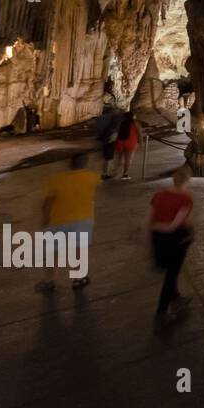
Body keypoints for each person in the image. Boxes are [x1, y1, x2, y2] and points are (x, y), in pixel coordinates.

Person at [35, 152, 100, 292]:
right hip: (83, 220)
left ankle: (49, 281)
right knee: (79, 251)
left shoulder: (56, 180)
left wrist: (45, 220)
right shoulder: (92, 177)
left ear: (69, 163)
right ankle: (78, 279)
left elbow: (47, 203)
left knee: (52, 252)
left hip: (58, 221)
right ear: (85, 163)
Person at [148, 166, 195, 329]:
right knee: (172, 272)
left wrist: (153, 233)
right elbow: (174, 225)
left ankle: (175, 297)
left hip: (157, 235)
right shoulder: (185, 199)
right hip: (174, 237)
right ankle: (162, 312)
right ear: (187, 181)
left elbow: (150, 218)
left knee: (170, 270)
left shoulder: (158, 195)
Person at [92, 107, 120, 180]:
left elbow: (97, 129)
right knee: (109, 157)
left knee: (106, 157)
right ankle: (106, 173)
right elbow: (114, 129)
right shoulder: (113, 118)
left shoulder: (100, 118)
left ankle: (105, 172)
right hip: (110, 140)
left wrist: (98, 137)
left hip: (102, 139)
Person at [114, 110, 140, 180]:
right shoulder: (135, 123)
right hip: (131, 143)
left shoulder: (121, 123)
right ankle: (124, 175)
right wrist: (140, 142)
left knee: (118, 159)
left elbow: (115, 132)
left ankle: (115, 173)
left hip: (120, 142)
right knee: (128, 160)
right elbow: (139, 134)